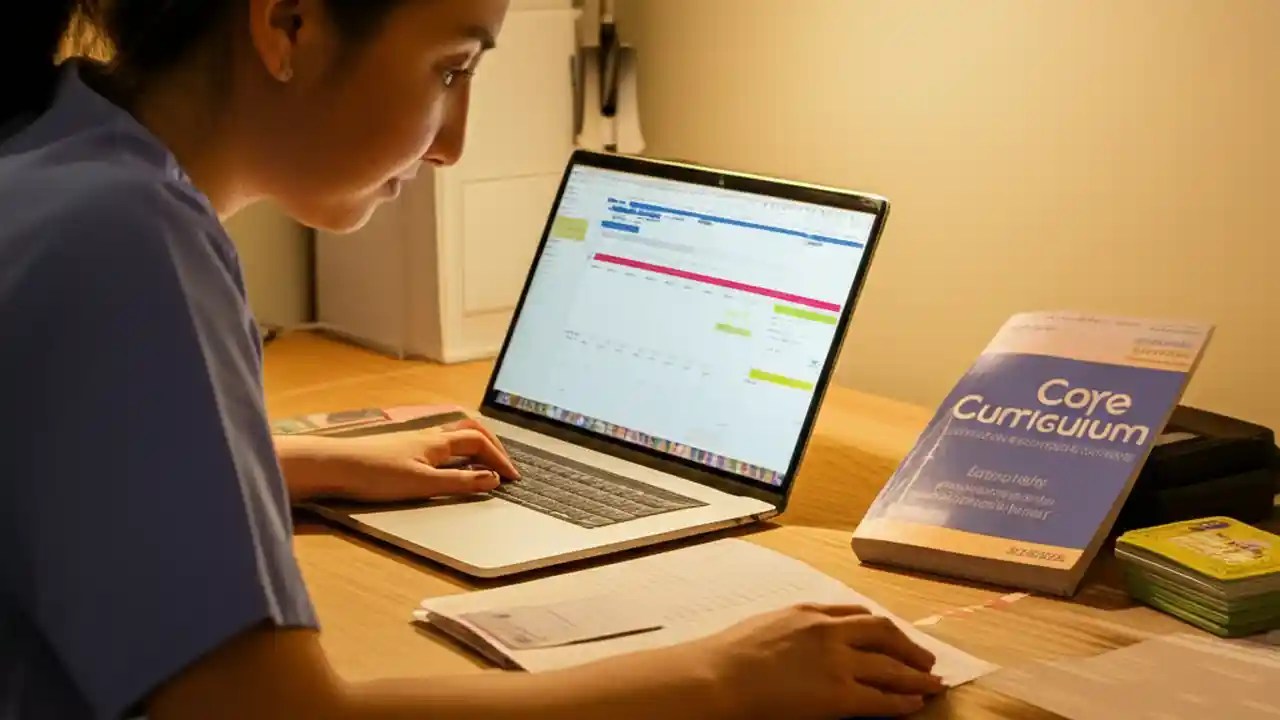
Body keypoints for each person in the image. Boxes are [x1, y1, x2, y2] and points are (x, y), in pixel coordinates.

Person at [0, 1, 947, 718]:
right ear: (288, 25)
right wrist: (719, 676)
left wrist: (272, 464)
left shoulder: (52, 156)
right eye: (451, 69)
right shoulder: (128, 240)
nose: (453, 144)